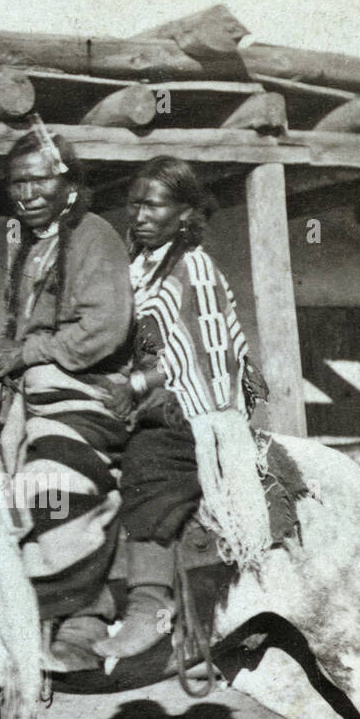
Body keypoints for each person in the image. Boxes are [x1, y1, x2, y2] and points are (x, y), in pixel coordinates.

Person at [93, 156, 271, 661]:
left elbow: (207, 353)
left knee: (148, 461)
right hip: (144, 398)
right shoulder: (136, 268)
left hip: (197, 409)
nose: (140, 215)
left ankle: (150, 602)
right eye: (134, 205)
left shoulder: (194, 267)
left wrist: (138, 381)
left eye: (153, 205)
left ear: (186, 213)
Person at [0, 126, 134, 670]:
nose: (27, 194)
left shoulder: (95, 236)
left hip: (90, 391)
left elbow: (105, 329)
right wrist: (6, 350)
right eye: (17, 183)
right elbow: (20, 328)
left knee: (51, 480)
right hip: (33, 389)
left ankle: (85, 615)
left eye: (39, 180)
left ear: (68, 183)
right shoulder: (24, 243)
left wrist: (27, 354)